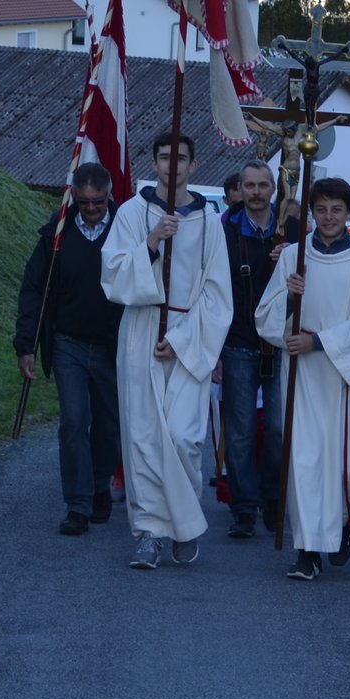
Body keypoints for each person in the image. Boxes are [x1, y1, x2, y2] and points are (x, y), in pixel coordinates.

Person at [101, 130, 232, 571]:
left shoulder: (210, 222)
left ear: (193, 166)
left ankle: (184, 523)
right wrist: (153, 242)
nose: (171, 166)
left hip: (189, 337)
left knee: (182, 437)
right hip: (141, 328)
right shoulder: (131, 213)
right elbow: (114, 276)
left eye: (180, 158)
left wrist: (179, 341)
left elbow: (218, 296)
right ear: (153, 164)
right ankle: (151, 534)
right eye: (163, 158)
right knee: (142, 438)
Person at [256, 178, 350, 582]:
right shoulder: (294, 257)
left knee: (346, 467)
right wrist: (288, 295)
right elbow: (265, 317)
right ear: (311, 212)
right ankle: (307, 550)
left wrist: (321, 342)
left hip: (342, 374)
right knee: (304, 461)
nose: (329, 217)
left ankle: (344, 521)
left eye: (337, 210)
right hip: (302, 374)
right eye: (322, 209)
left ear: (349, 214)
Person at [14, 164, 123, 536]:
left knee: (109, 424)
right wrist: (25, 344)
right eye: (83, 202)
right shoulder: (55, 234)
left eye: (97, 202)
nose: (91, 208)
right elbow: (33, 289)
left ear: (109, 194)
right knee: (75, 421)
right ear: (73, 197)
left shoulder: (125, 230)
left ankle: (98, 485)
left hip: (112, 344)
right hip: (69, 343)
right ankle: (77, 505)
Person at [218, 160, 288, 539]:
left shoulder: (290, 228)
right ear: (240, 189)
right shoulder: (223, 231)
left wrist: (292, 258)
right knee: (240, 432)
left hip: (279, 345)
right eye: (250, 185)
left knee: (278, 428)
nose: (257, 192)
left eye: (263, 185)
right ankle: (244, 508)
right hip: (238, 342)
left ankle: (274, 498)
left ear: (273, 188)